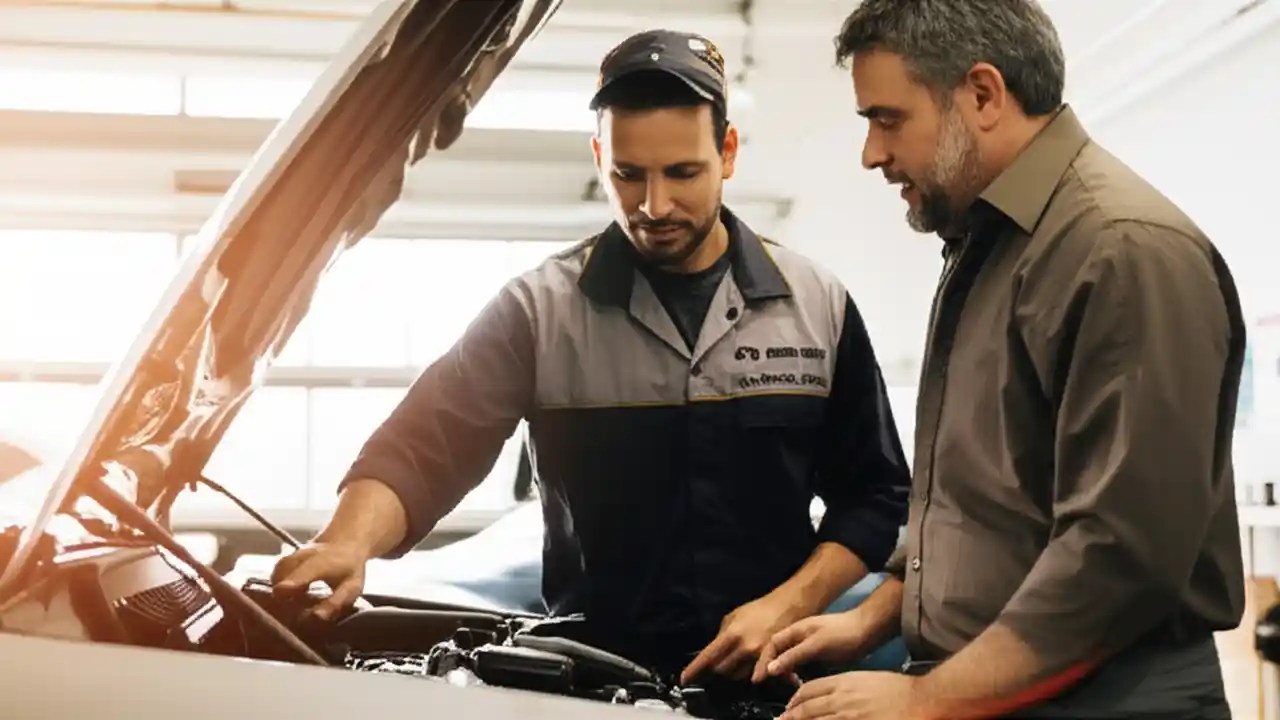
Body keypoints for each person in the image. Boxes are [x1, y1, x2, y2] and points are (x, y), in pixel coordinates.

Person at [271, 28, 912, 683]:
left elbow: (875, 495)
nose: (653, 205)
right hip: (590, 684)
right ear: (599, 155)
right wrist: (347, 542)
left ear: (727, 152)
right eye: (627, 176)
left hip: (769, 684)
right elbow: (423, 449)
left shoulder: (816, 304)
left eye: (682, 173)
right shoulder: (538, 312)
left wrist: (787, 605)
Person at [753, 1, 1247, 718]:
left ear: (982, 95)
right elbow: (984, 508)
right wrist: (871, 618)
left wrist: (926, 697)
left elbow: (1119, 558)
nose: (871, 153)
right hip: (1003, 688)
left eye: (887, 119)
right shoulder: (989, 246)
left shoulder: (1120, 251)